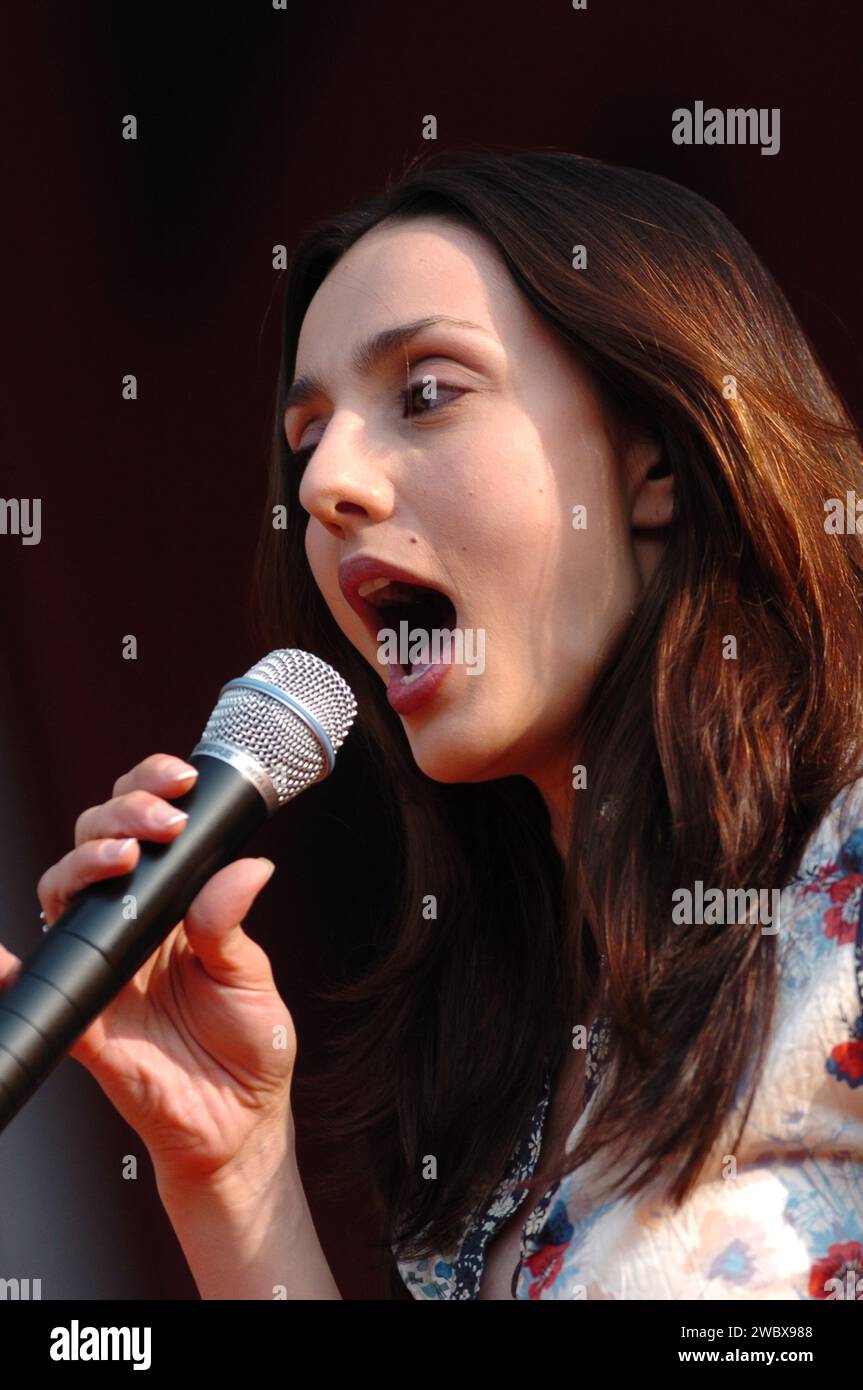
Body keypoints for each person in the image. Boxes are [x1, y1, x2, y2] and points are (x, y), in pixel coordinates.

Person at [5, 148, 863, 1300]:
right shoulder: (513, 1073)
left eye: (424, 393)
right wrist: (230, 1176)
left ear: (651, 457)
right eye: (305, 443)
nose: (322, 486)